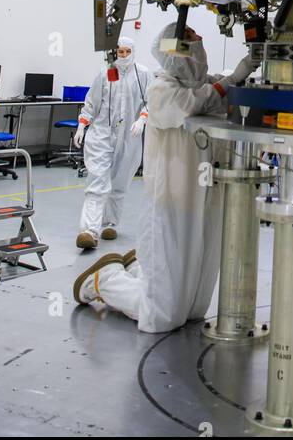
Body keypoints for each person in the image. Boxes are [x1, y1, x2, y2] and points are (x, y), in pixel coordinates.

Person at [73, 24, 255, 332]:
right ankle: (104, 281)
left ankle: (137, 269)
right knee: (161, 316)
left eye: (198, 37)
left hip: (206, 199)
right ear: (176, 52)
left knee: (195, 305)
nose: (198, 42)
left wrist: (241, 77)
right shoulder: (163, 89)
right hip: (171, 203)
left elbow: (213, 97)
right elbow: (195, 104)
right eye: (190, 40)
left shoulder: (202, 84)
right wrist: (234, 78)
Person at [74, 36, 148, 250]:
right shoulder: (106, 73)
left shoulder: (142, 74)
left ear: (133, 51)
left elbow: (152, 101)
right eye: (119, 52)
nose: (123, 56)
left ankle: (110, 224)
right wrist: (82, 124)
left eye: (126, 52)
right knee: (97, 181)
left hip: (129, 136)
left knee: (120, 182)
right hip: (102, 133)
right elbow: (92, 101)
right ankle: (89, 230)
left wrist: (143, 119)